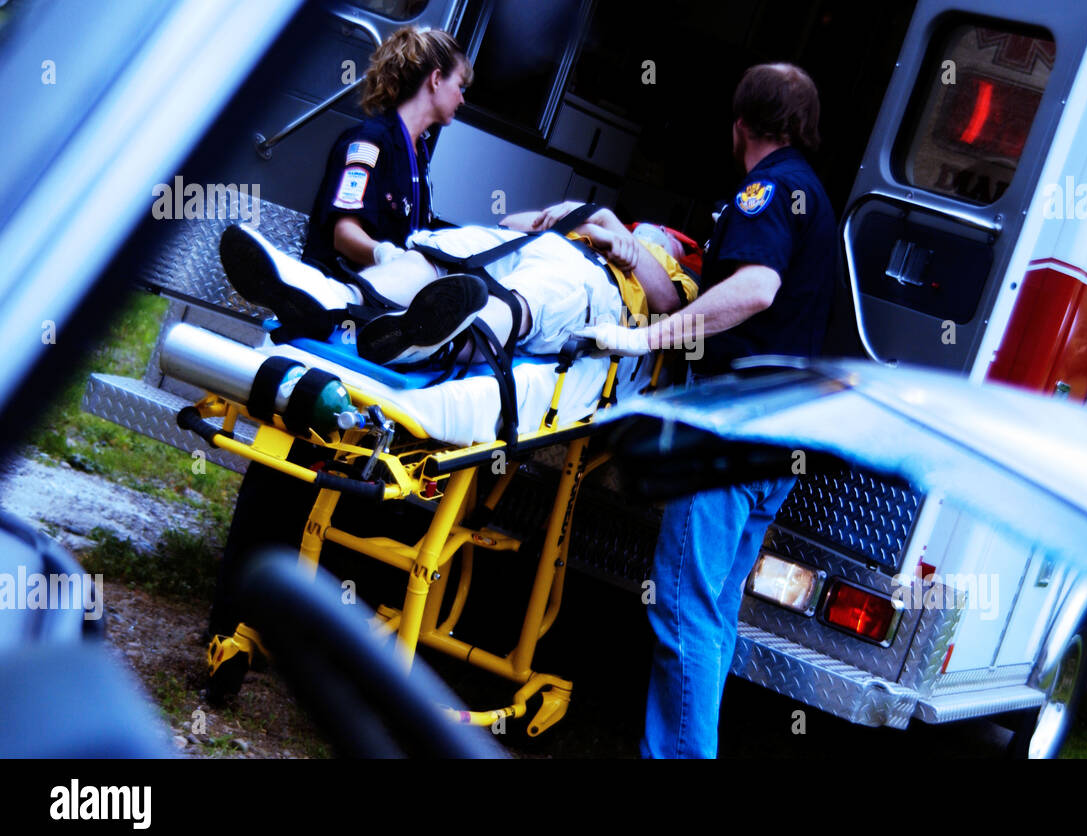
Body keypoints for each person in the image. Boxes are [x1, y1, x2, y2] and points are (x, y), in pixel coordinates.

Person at [578, 63, 838, 758]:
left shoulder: (766, 190)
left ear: (739, 125)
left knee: (683, 613)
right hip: (773, 439)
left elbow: (753, 289)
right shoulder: (809, 192)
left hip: (726, 434)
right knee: (715, 612)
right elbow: (693, 300)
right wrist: (632, 250)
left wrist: (646, 338)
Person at [220, 200, 699, 366]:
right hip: (528, 246)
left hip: (591, 280)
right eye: (650, 232)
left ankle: (421, 340)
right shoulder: (590, 219)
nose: (657, 235)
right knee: (440, 252)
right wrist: (575, 216)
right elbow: (510, 223)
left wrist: (633, 250)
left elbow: (669, 309)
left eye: (668, 239)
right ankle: (329, 297)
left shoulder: (675, 273)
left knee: (531, 297)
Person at [300, 26, 472, 277]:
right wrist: (386, 256)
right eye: (460, 86)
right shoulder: (369, 142)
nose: (462, 99)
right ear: (436, 80)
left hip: (384, 294)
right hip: (341, 289)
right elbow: (344, 235)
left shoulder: (418, 153)